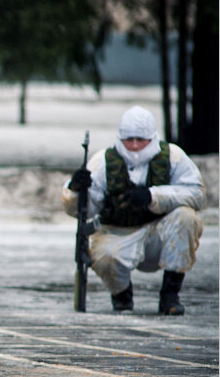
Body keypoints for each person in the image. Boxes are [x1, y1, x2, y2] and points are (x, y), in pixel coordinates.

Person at [63, 106, 205, 315]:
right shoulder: (104, 161)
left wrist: (153, 196)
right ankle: (121, 295)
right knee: (103, 254)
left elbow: (196, 194)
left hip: (162, 233)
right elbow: (86, 209)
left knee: (187, 217)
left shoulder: (173, 157)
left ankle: (170, 295)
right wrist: (75, 189)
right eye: (129, 140)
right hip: (119, 233)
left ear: (152, 137)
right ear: (120, 138)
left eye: (141, 139)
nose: (135, 146)